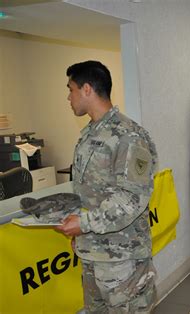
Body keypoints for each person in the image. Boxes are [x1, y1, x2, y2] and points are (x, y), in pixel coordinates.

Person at [55, 60, 159, 313]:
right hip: (93, 252)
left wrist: (85, 224)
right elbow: (88, 193)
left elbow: (131, 199)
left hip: (123, 260)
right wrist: (82, 231)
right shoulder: (90, 133)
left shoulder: (129, 135)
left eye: (71, 89)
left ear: (87, 89)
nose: (68, 97)